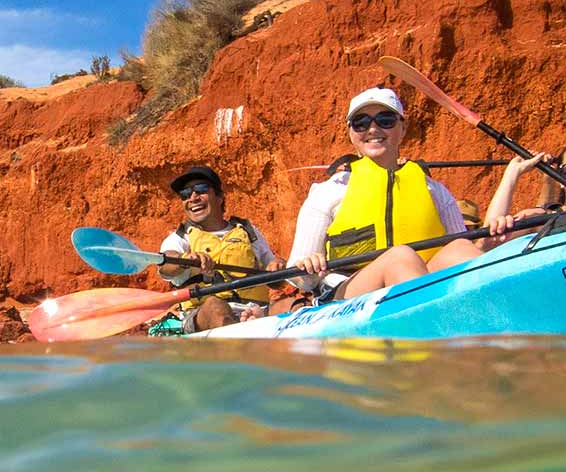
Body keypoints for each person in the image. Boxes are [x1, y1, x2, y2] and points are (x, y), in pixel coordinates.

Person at [287, 88, 469, 300]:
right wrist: (308, 265)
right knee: (400, 258)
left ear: (403, 128)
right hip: (347, 294)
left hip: (421, 279)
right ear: (351, 132)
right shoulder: (329, 191)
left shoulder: (435, 191)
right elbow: (300, 279)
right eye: (361, 123)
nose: (373, 129)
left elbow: (462, 244)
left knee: (460, 248)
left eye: (385, 120)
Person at [149, 164, 278, 333]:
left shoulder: (248, 231)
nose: (193, 197)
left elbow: (277, 280)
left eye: (201, 189)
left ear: (219, 197)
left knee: (291, 304)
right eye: (185, 194)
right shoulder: (180, 239)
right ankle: (239, 342)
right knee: (216, 307)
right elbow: (165, 267)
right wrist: (185, 260)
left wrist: (278, 265)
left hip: (256, 310)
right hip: (203, 314)